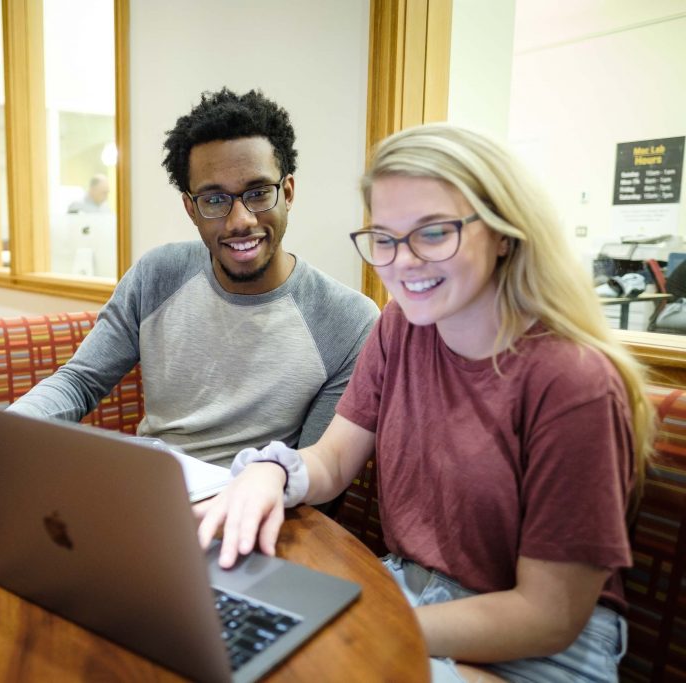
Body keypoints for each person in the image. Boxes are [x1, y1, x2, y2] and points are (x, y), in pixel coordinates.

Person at [196, 123, 654, 680]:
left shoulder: (574, 383)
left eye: (433, 233)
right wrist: (271, 470)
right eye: (384, 238)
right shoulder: (402, 325)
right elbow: (334, 460)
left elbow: (548, 615)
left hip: (539, 650)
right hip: (411, 592)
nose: (403, 262)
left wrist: (364, 623)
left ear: (505, 233)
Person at [10, 88, 379, 466]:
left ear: (287, 192)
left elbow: (316, 471)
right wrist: (5, 429)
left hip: (251, 509)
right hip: (149, 494)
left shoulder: (347, 321)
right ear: (191, 208)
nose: (241, 221)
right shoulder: (157, 275)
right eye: (215, 200)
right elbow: (80, 382)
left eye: (257, 192)